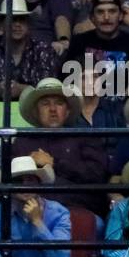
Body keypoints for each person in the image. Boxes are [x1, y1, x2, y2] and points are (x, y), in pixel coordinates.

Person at [12, 77, 111, 217]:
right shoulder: (22, 141)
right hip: (29, 211)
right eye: (45, 104)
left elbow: (98, 175)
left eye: (59, 103)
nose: (53, 109)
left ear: (68, 111)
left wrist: (55, 163)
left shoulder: (85, 136)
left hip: (77, 210)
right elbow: (11, 181)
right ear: (36, 111)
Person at [0, 155, 72, 257]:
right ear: (10, 185)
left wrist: (38, 222)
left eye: (30, 180)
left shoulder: (59, 212)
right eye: (18, 180)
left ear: (38, 183)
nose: (24, 186)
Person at [0, 0, 60, 100]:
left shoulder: (43, 50)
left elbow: (50, 87)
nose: (17, 25)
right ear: (1, 25)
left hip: (34, 111)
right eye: (12, 20)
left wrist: (23, 90)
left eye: (21, 20)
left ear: (28, 24)